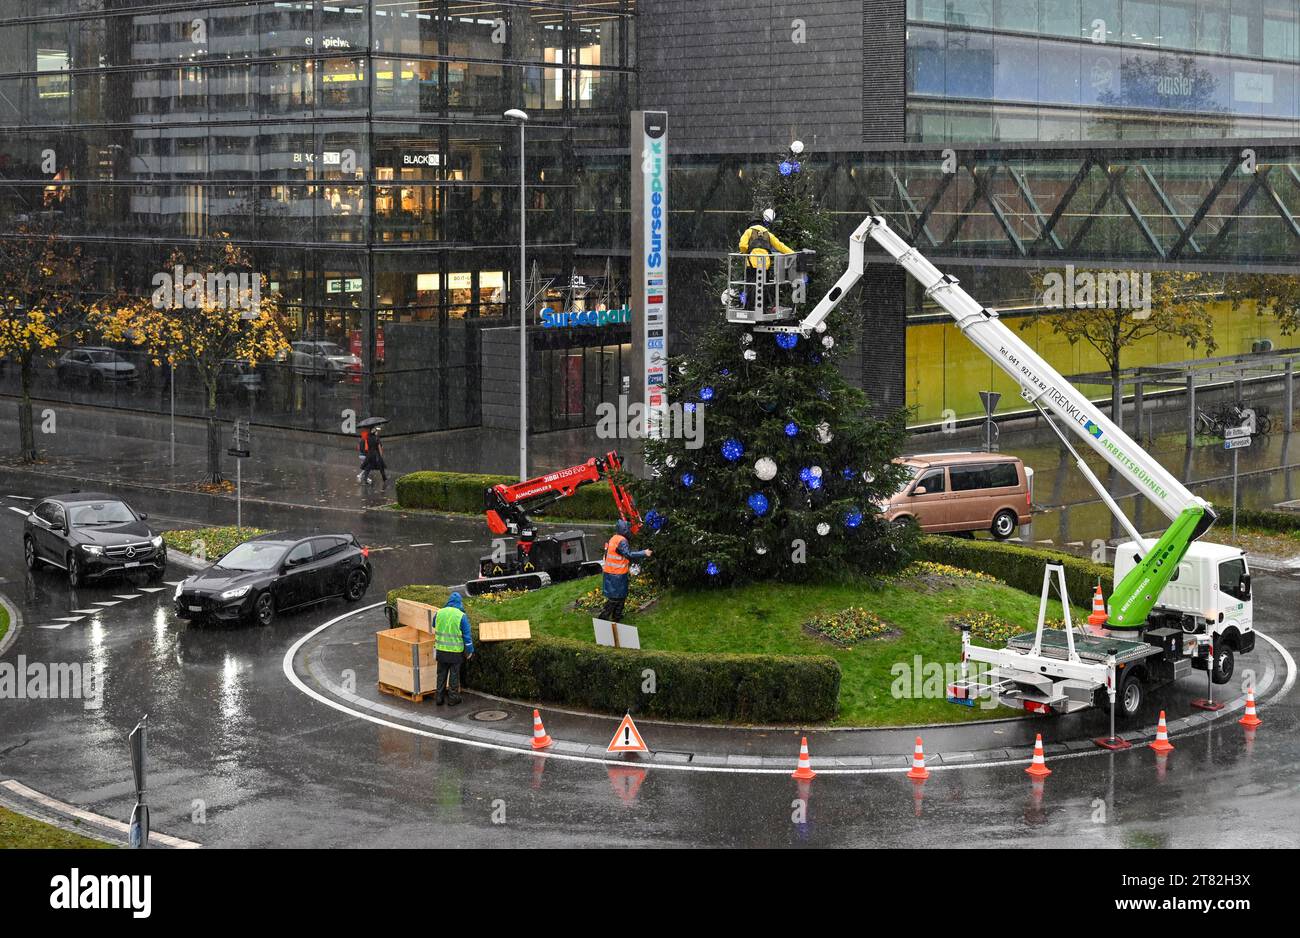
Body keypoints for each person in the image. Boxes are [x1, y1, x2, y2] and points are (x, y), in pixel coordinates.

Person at [738, 208, 795, 312]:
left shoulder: (749, 231)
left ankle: (750, 307)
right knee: (764, 286)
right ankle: (763, 308)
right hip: (765, 265)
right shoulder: (768, 234)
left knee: (751, 286)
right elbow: (780, 246)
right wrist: (793, 253)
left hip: (752, 264)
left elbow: (742, 245)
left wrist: (745, 252)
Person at [599, 519, 653, 623]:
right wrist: (644, 553)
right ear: (625, 530)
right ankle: (603, 617)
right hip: (617, 574)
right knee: (616, 599)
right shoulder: (622, 541)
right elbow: (629, 554)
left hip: (612, 573)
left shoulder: (614, 538)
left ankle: (616, 617)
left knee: (620, 597)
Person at [433, 591, 475, 706]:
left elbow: (433, 624)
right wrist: (470, 651)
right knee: (454, 675)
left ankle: (439, 698)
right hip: (455, 652)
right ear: (459, 603)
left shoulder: (439, 613)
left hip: (441, 650)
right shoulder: (461, 616)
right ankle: (452, 698)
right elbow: (467, 636)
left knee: (441, 674)